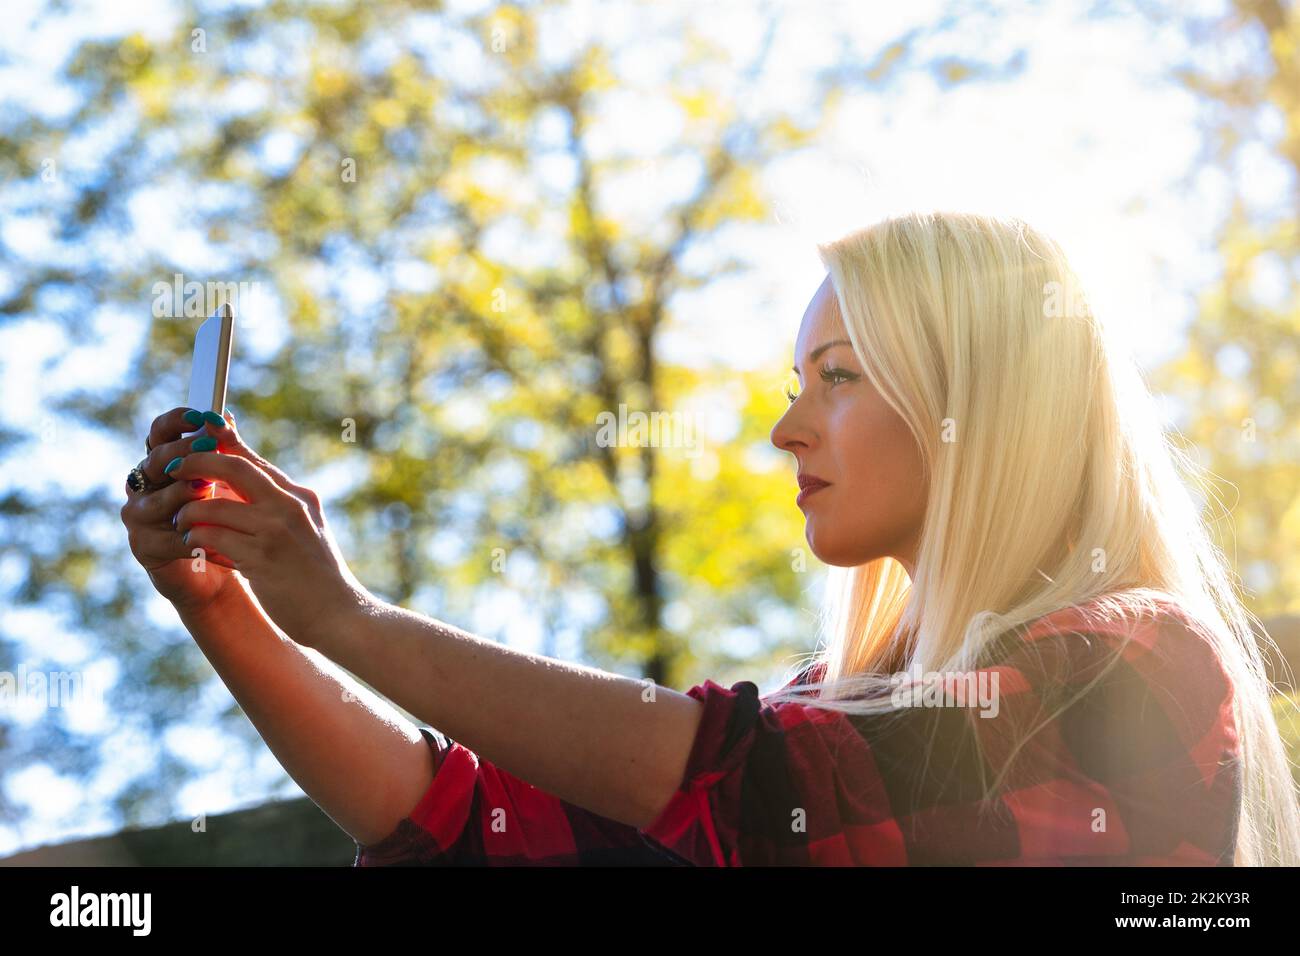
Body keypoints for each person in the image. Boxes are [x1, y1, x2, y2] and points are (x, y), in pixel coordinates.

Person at [119, 211, 1300, 865]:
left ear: (978, 397)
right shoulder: (830, 706)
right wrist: (231, 604)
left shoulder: (1134, 665)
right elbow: (458, 817)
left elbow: (756, 791)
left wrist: (348, 614)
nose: (787, 428)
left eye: (835, 378)